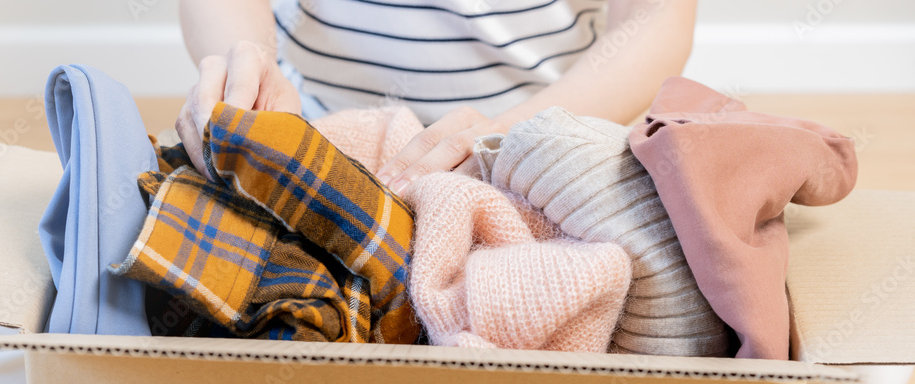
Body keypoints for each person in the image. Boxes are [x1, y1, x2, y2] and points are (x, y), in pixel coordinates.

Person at [175, 0, 698, 194]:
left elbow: (656, 14)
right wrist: (247, 64)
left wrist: (524, 129)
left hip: (542, 143)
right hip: (313, 132)